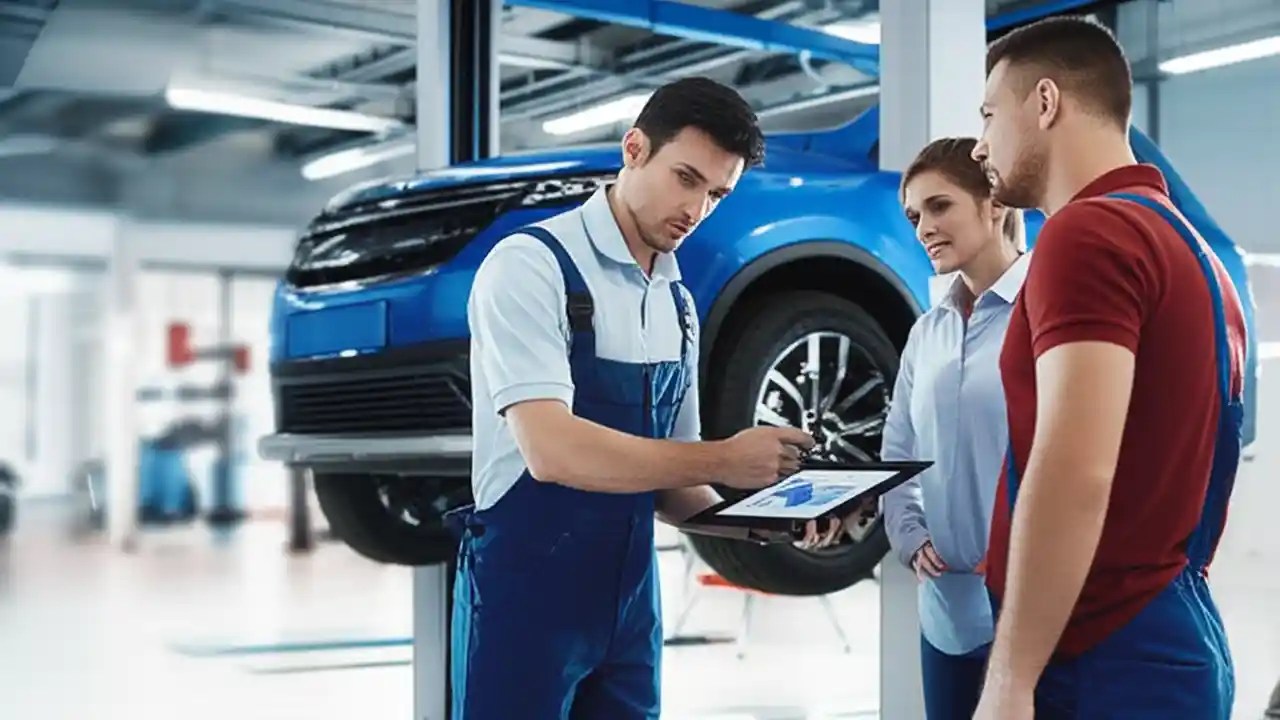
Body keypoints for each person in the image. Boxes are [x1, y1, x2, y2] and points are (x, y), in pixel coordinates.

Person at [450, 76, 842, 720]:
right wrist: (726, 458)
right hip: (524, 601)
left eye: (716, 194)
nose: (696, 209)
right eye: (686, 178)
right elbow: (551, 450)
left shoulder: (678, 306)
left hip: (629, 606)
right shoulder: (530, 266)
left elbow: (671, 486)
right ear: (634, 149)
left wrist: (769, 520)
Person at [969, 16, 1246, 720]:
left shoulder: (1088, 233)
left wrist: (1010, 679)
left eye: (989, 115)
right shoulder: (1190, 248)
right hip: (1166, 625)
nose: (979, 145)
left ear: (1045, 102)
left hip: (1102, 651)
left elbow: (1075, 469)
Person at [874, 136, 1027, 720]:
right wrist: (910, 537)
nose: (924, 228)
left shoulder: (1046, 310)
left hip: (1030, 607)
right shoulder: (928, 332)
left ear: (994, 203)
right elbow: (898, 450)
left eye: (939, 206)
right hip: (946, 611)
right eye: (914, 215)